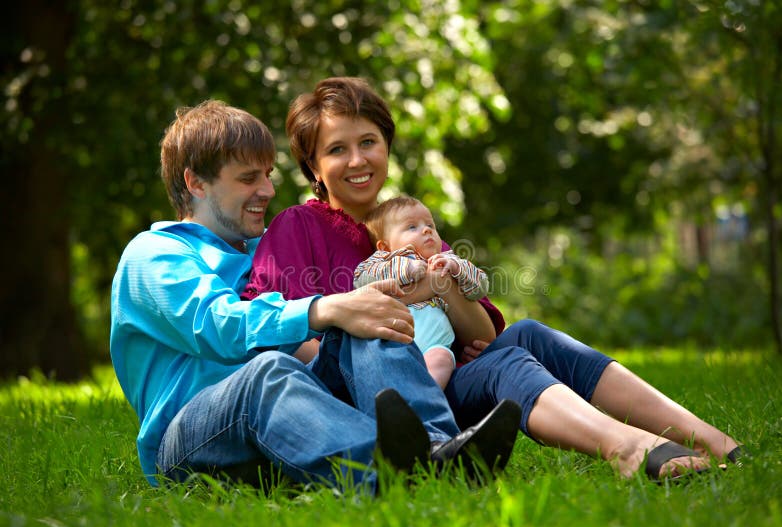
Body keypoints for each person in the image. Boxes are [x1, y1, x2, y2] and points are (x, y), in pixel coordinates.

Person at [242, 77, 746, 481]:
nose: (357, 161)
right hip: (361, 398)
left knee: (524, 337)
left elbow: (483, 340)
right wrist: (353, 346)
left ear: (387, 146)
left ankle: (711, 439)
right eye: (337, 149)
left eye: (368, 142)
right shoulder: (297, 225)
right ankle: (630, 448)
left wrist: (441, 284)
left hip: (437, 383)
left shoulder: (407, 224)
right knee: (442, 347)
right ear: (313, 163)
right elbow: (272, 329)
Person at [108, 100, 522, 494]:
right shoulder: (154, 254)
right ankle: (399, 473)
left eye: (268, 174)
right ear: (195, 182)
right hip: (191, 442)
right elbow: (219, 326)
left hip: (291, 427)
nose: (268, 190)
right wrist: (325, 308)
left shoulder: (263, 249)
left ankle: (440, 446)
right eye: (249, 178)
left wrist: (358, 310)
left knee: (366, 316)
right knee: (269, 366)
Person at [353, 196, 489, 389]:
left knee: (442, 359)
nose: (426, 230)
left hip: (433, 348)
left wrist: (457, 270)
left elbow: (480, 287)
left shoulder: (446, 260)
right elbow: (361, 280)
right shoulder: (384, 261)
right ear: (384, 246)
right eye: (411, 227)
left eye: (430, 225)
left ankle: (427, 399)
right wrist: (407, 269)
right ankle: (403, 401)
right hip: (392, 343)